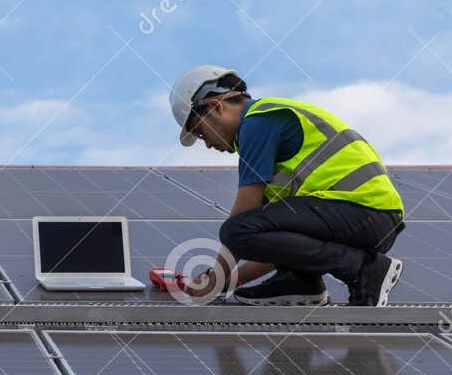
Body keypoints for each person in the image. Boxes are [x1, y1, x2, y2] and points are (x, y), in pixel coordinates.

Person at [169, 65, 404, 307]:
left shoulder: (257, 122)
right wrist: (227, 283)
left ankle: (364, 269)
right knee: (253, 229)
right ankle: (300, 282)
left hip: (362, 213)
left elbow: (242, 220)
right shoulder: (267, 126)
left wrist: (214, 278)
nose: (206, 144)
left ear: (216, 107)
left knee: (235, 230)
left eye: (200, 131)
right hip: (369, 221)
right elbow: (278, 245)